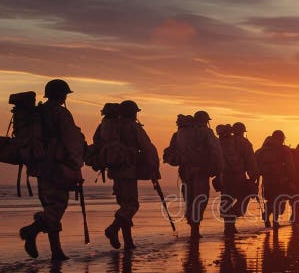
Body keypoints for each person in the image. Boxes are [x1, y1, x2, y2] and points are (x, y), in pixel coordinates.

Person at [19, 79, 85, 261]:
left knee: (50, 206)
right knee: (57, 206)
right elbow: (71, 140)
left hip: (40, 166)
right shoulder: (61, 113)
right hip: (57, 166)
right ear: (61, 95)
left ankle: (56, 252)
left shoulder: (38, 112)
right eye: (64, 93)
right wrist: (76, 163)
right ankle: (31, 231)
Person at [93, 100, 159, 250]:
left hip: (114, 170)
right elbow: (147, 148)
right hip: (128, 171)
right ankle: (113, 229)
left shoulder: (108, 126)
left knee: (124, 206)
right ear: (133, 113)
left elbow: (97, 142)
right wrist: (153, 168)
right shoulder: (133, 127)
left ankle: (128, 242)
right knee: (131, 206)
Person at [165, 111, 223, 240]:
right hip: (201, 171)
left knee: (190, 199)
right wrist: (218, 170)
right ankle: (195, 231)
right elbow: (216, 151)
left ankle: (193, 229)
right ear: (205, 120)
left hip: (185, 172)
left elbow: (170, 152)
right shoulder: (206, 132)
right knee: (200, 199)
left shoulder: (179, 133)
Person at [218, 122, 258, 234]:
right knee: (244, 197)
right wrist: (253, 176)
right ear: (242, 131)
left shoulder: (222, 142)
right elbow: (250, 160)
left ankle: (228, 227)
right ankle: (233, 218)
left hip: (223, 176)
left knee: (226, 201)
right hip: (238, 176)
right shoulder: (244, 142)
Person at [255, 130, 294, 228]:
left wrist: (255, 180)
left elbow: (255, 166)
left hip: (266, 180)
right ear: (281, 138)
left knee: (271, 199)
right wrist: (292, 179)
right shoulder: (284, 149)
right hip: (280, 180)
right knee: (279, 200)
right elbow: (290, 166)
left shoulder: (261, 150)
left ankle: (267, 216)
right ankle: (275, 221)